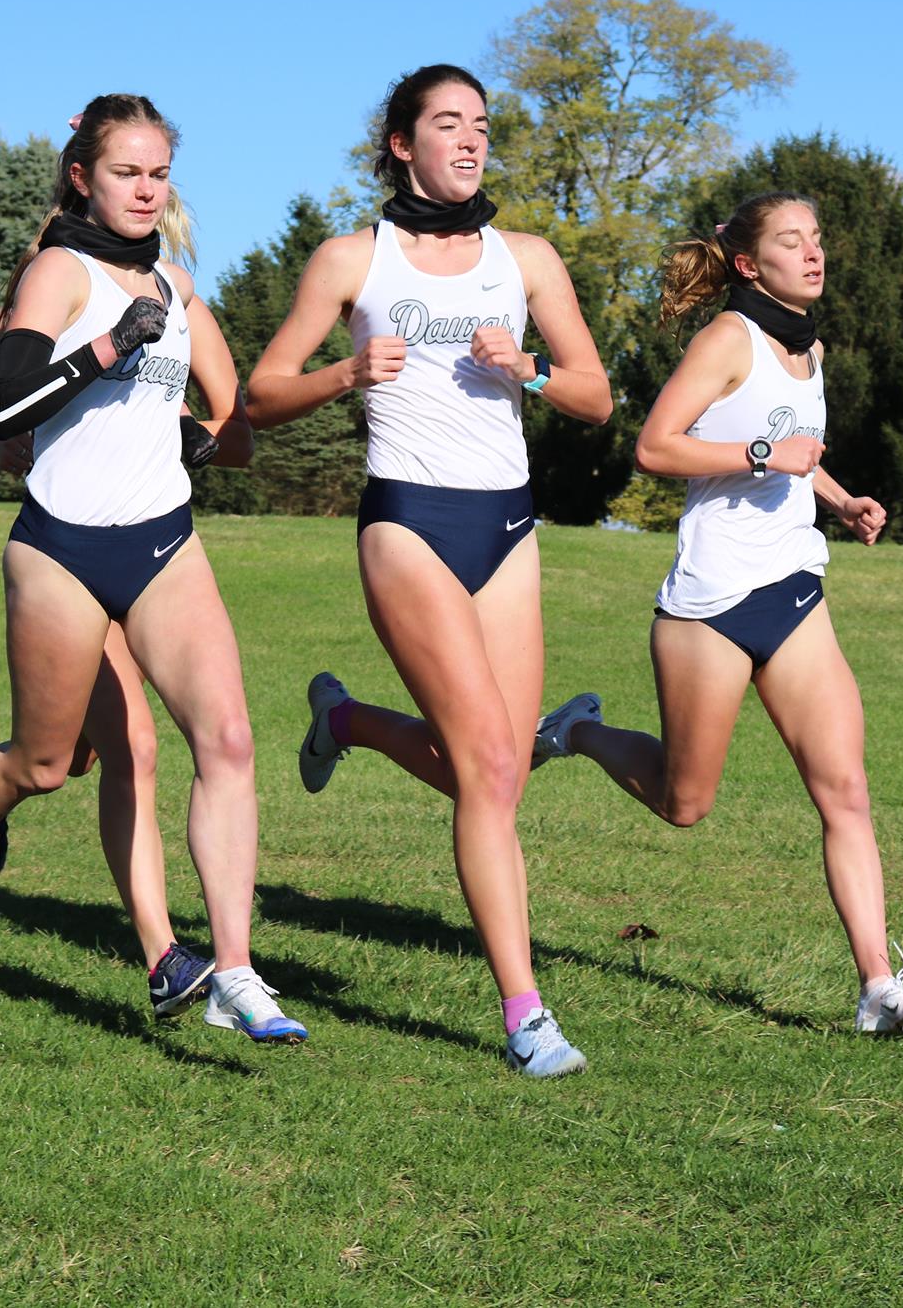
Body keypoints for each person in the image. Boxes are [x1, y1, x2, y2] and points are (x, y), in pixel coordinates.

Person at [0, 93, 306, 1044]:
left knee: (227, 742)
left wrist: (198, 445)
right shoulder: (54, 270)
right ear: (84, 175)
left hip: (164, 539)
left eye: (160, 173)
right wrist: (102, 349)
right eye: (128, 171)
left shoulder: (177, 289)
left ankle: (227, 969)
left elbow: (238, 431)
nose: (147, 189)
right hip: (62, 548)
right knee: (50, 764)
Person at [246, 64, 613, 1077]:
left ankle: (346, 720)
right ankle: (525, 1011)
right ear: (400, 143)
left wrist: (527, 369)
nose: (469, 140)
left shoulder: (524, 258)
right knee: (490, 770)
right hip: (406, 521)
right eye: (446, 123)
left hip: (509, 527)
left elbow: (596, 396)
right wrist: (344, 371)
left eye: (481, 125)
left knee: (493, 775)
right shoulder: (351, 260)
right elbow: (260, 395)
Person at [525, 193, 903, 1038]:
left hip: (793, 589)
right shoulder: (728, 340)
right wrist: (762, 454)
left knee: (846, 791)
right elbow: (655, 446)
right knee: (685, 802)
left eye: (818, 239)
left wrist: (837, 496)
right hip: (710, 607)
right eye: (792, 242)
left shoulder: (809, 346)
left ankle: (878, 989)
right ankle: (578, 730)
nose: (814, 254)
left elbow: (796, 446)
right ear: (750, 265)